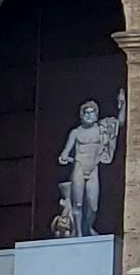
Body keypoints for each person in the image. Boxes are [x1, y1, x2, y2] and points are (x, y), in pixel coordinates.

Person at [54, 94, 126, 238]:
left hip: (93, 168)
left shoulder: (102, 129)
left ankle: (87, 228)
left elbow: (120, 123)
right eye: (86, 113)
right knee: (78, 205)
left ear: (96, 114)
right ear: (81, 115)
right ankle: (79, 235)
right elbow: (64, 153)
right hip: (79, 167)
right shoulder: (76, 132)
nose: (89, 115)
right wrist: (65, 158)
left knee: (93, 206)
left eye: (91, 112)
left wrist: (122, 105)